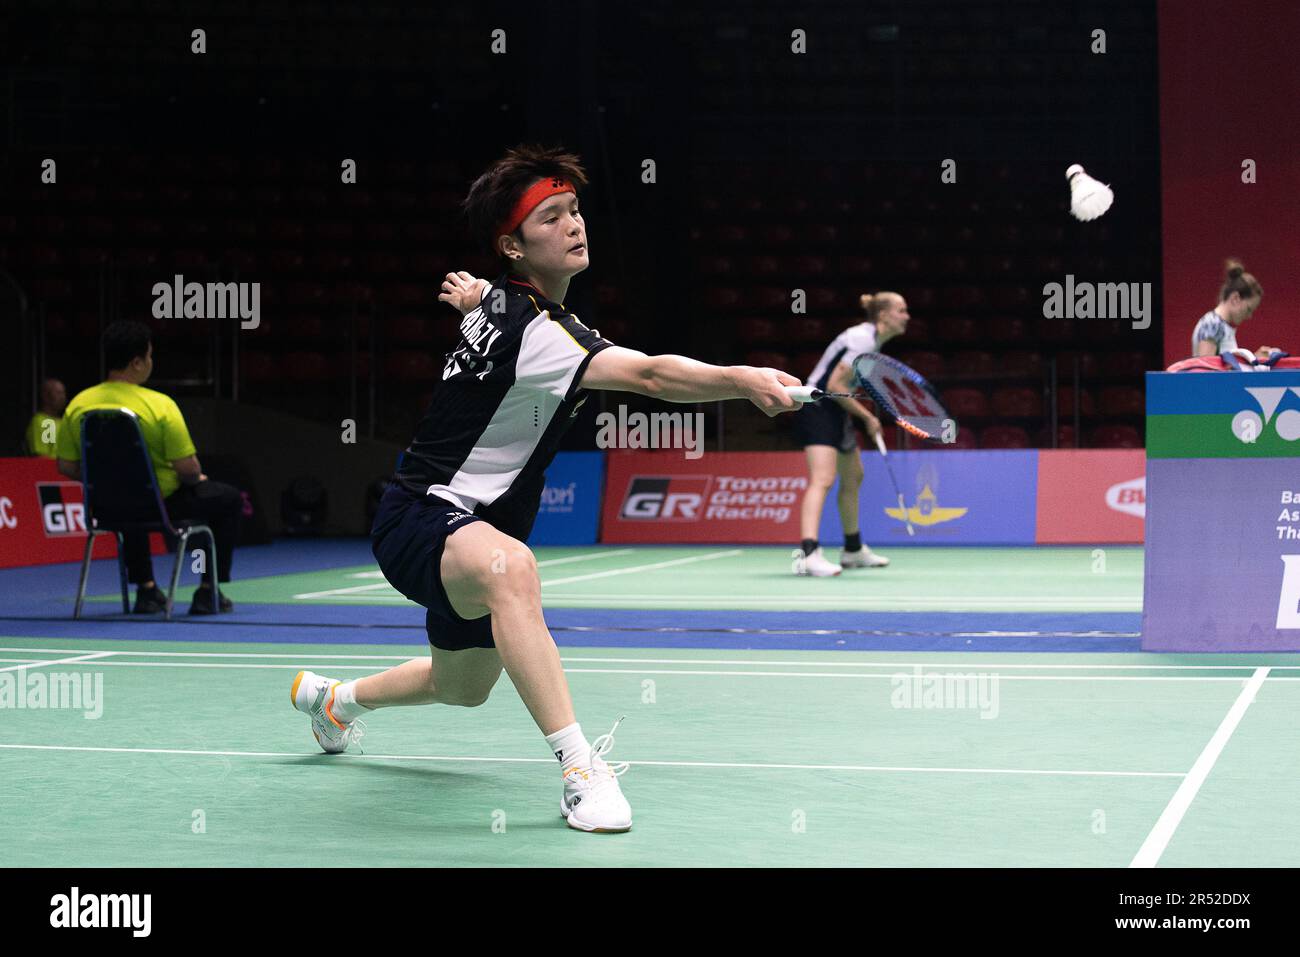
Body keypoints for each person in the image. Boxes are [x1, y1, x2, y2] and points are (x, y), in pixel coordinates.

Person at [289, 144, 801, 833]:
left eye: (575, 210)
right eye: (552, 216)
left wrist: (478, 294)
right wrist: (741, 380)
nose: (574, 224)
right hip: (423, 518)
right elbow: (650, 376)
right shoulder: (538, 329)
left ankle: (335, 701)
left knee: (461, 687)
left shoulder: (517, 309)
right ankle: (580, 772)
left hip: (460, 529)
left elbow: (497, 306)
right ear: (513, 245)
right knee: (512, 569)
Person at [55, 320, 244, 615]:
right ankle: (208, 590)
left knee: (129, 497)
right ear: (137, 362)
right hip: (161, 505)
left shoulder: (78, 405)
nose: (151, 362)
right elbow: (188, 469)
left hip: (106, 508)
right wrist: (197, 477)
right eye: (150, 356)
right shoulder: (160, 405)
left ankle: (146, 590)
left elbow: (66, 466)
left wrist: (107, 480)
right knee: (229, 500)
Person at [791, 291, 909, 577]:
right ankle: (808, 554)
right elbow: (834, 383)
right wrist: (867, 416)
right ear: (883, 315)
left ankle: (853, 549)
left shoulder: (873, 343)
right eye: (902, 310)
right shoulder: (862, 339)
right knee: (823, 478)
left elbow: (846, 387)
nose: (906, 316)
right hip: (817, 406)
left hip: (835, 409)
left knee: (854, 475)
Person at [1191, 259, 1276, 360]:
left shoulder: (1222, 326)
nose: (1249, 316)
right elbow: (1206, 369)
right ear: (1235, 298)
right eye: (1248, 309)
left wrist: (1254, 359)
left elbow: (1226, 367)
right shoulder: (1212, 324)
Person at [25, 377, 67, 458]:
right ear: (45, 396)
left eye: (63, 393)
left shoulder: (64, 422)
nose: (63, 397)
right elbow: (42, 459)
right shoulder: (41, 422)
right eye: (58, 393)